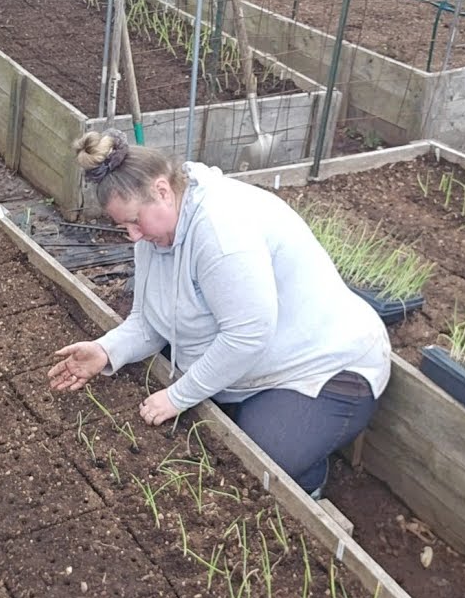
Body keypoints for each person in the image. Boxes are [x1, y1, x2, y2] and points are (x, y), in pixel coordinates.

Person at [47, 129, 391, 499]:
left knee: (264, 461)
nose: (132, 236)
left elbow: (247, 335)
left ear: (162, 191)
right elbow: (150, 320)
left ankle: (312, 482)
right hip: (256, 359)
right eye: (123, 226)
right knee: (218, 433)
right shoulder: (157, 230)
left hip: (321, 367)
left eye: (135, 221)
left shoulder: (221, 234)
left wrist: (178, 396)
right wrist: (106, 350)